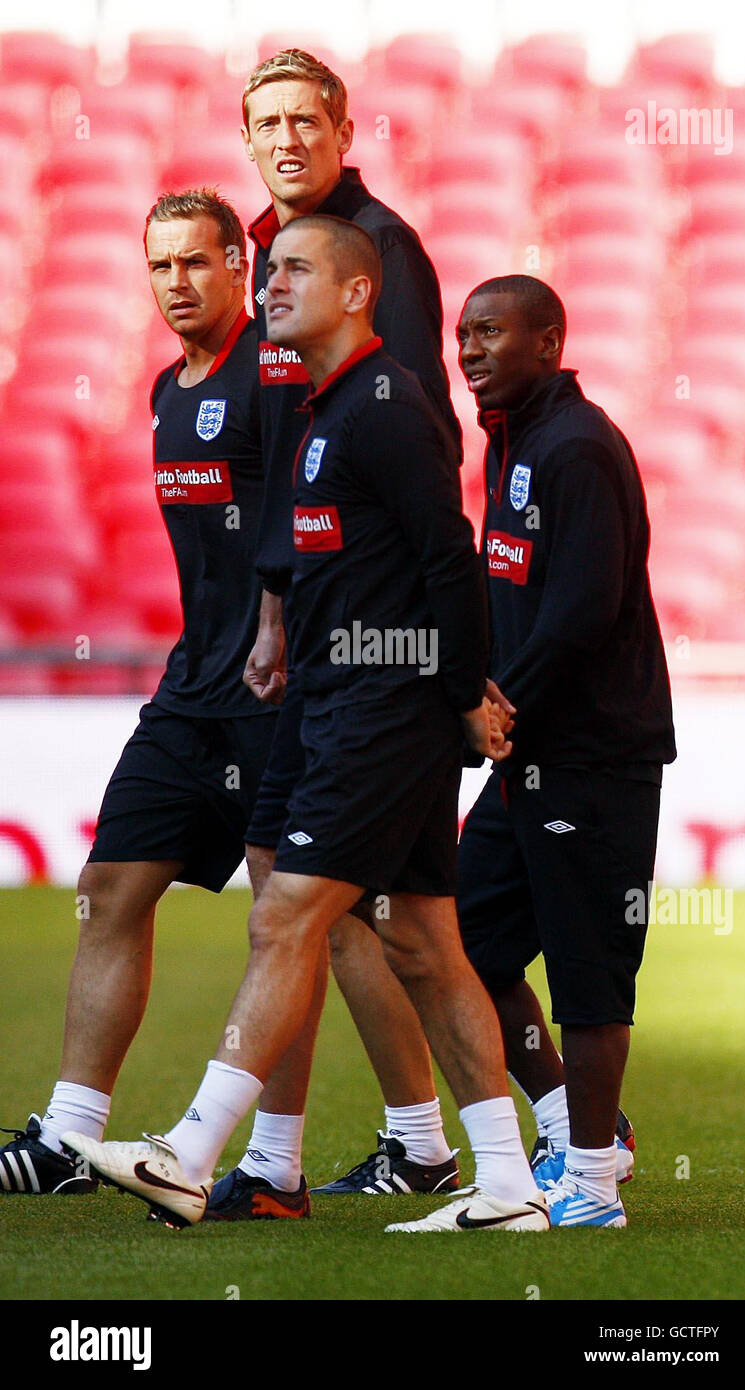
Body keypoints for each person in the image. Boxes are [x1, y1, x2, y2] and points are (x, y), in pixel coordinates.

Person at [61, 217, 551, 1238]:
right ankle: (507, 1184)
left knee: (286, 916)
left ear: (358, 291)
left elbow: (448, 559)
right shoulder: (327, 409)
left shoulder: (384, 407)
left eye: (290, 270)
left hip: (382, 706)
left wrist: (461, 693)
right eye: (271, 270)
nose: (270, 284)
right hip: (325, 701)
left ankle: (189, 1152)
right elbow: (321, 554)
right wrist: (282, 634)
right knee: (421, 941)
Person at [209, 47, 468, 1216]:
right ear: (249, 137)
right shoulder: (273, 256)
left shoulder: (374, 252)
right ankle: (442, 1151)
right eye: (266, 123)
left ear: (342, 126)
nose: (287, 140)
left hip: (375, 654)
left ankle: (249, 1153)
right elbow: (288, 459)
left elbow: (410, 444)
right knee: (379, 911)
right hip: (311, 630)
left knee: (314, 896)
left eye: (306, 120)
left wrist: (416, 658)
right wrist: (274, 600)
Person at [0, 191, 278, 1199]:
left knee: (304, 923)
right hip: (188, 691)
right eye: (159, 267)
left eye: (197, 263)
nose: (176, 284)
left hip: (272, 693)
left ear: (239, 268)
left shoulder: (275, 379)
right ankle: (71, 1138)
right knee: (109, 888)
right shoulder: (166, 390)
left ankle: (374, 1144)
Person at [455, 274, 676, 1227]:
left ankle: (588, 1189)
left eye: (490, 332)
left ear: (547, 343)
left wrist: (499, 705)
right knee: (459, 943)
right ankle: (575, 1126)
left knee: (588, 973)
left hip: (590, 754)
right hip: (527, 752)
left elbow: (584, 609)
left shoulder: (578, 449)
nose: (468, 349)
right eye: (462, 334)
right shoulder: (514, 445)